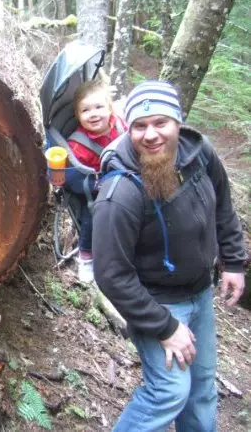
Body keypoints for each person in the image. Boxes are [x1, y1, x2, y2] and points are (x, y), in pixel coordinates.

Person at [92, 80, 247, 431]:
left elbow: (222, 204)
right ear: (128, 129)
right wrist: (165, 327)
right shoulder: (120, 193)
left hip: (200, 292)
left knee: (203, 388)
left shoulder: (199, 153)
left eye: (160, 123)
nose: (151, 135)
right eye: (140, 126)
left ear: (178, 122)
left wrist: (234, 262)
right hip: (157, 302)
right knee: (169, 392)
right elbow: (111, 274)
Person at [65, 77, 126, 284]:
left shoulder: (119, 126)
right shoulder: (78, 144)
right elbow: (72, 177)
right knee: (92, 217)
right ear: (78, 115)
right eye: (86, 110)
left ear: (110, 108)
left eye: (99, 107)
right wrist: (98, 185)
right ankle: (85, 257)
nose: (93, 114)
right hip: (92, 190)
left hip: (124, 180)